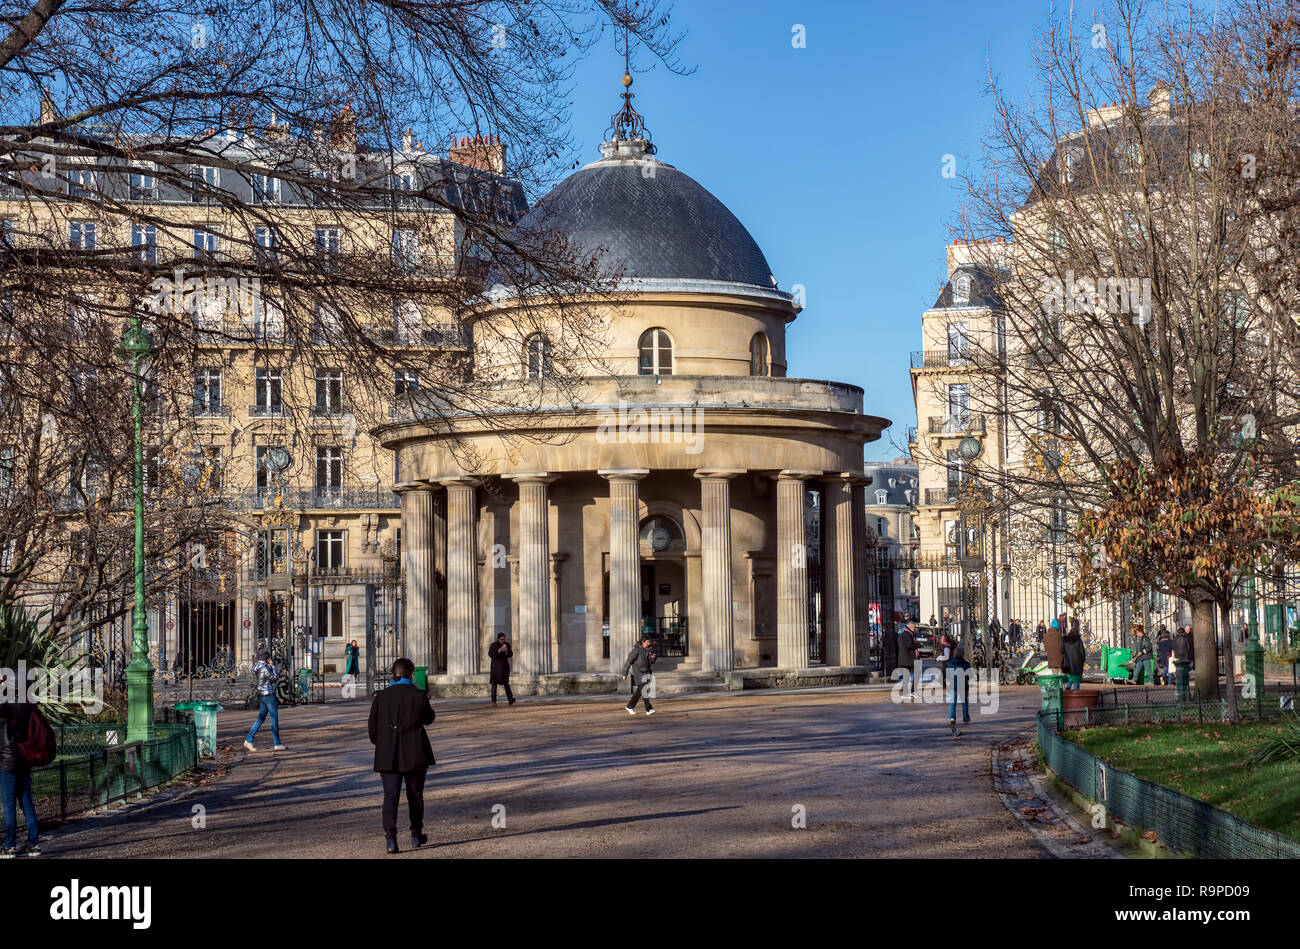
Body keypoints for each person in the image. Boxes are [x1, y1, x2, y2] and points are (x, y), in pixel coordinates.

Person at [368, 657, 435, 854]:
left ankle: (391, 839)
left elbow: (372, 728)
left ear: (393, 675)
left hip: (388, 753)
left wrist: (383, 743)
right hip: (414, 751)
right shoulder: (418, 694)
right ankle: (415, 835)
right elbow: (428, 719)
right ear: (412, 674)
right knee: (415, 795)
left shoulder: (381, 696)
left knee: (390, 796)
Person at [0, 701, 39, 857]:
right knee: (27, 804)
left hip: (7, 762)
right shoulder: (27, 705)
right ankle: (33, 844)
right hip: (24, 760)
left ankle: (9, 846)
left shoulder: (4, 706)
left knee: (9, 805)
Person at [243, 650, 285, 751]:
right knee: (274, 719)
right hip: (268, 695)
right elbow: (274, 678)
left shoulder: (257, 666)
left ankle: (248, 740)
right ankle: (277, 743)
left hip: (262, 695)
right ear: (266, 658)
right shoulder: (265, 668)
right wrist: (273, 666)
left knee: (261, 719)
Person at [936, 632, 970, 735]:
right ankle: (965, 718)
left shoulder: (950, 664)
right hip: (963, 685)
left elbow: (947, 674)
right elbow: (969, 675)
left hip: (953, 685)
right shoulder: (966, 664)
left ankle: (952, 717)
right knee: (964, 703)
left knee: (952, 702)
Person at [621, 634, 657, 715]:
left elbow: (651, 662)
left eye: (649, 642)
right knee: (643, 690)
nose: (649, 643)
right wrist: (624, 673)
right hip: (639, 674)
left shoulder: (647, 650)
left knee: (639, 692)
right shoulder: (636, 650)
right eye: (648, 642)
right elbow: (628, 661)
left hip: (646, 673)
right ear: (643, 642)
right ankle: (649, 709)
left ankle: (630, 706)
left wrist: (653, 657)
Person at [488, 633, 516, 707]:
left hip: (504, 668)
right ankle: (493, 701)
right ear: (498, 639)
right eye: (501, 639)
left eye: (504, 639)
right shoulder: (493, 645)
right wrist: (500, 650)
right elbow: (491, 654)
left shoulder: (507, 644)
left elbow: (510, 654)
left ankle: (510, 699)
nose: (503, 641)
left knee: (506, 683)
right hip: (495, 668)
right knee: (494, 684)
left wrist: (506, 651)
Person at [896, 621, 919, 700]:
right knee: (915, 675)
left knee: (907, 676)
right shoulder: (908, 634)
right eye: (914, 627)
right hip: (909, 658)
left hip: (906, 658)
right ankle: (912, 692)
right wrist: (919, 645)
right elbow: (909, 645)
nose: (915, 629)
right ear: (911, 627)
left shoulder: (904, 633)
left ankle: (908, 692)